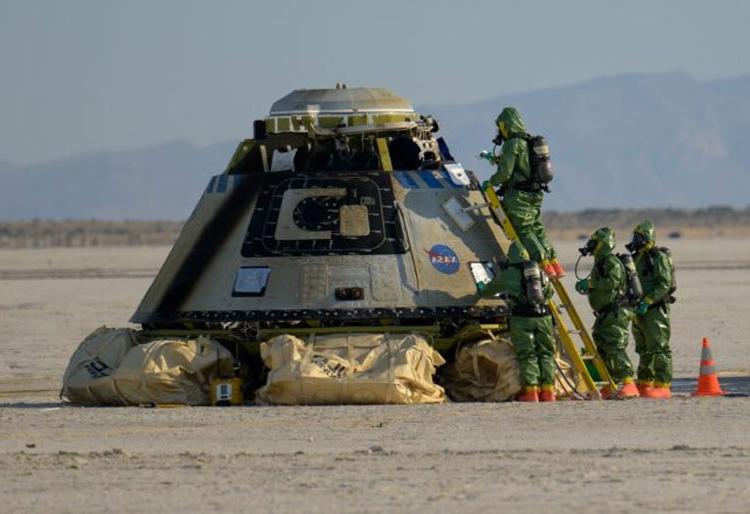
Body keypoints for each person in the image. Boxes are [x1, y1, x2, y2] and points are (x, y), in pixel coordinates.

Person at [480, 107, 564, 278]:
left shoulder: (512, 144)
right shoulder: (528, 142)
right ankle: (554, 263)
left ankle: (544, 266)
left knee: (524, 230)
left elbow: (505, 173)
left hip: (519, 197)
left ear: (506, 125)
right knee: (537, 229)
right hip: (535, 194)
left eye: (501, 127)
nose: (500, 131)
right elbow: (522, 167)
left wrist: (490, 183)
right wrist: (496, 159)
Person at [479, 240, 556, 402]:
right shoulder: (538, 272)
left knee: (528, 354)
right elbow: (549, 293)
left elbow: (487, 292)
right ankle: (549, 391)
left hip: (523, 319)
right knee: (546, 353)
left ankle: (532, 391)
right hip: (544, 317)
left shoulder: (509, 274)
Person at [575, 227, 639, 399]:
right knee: (603, 347)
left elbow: (613, 282)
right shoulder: (601, 263)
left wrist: (591, 285)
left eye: (594, 243)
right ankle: (609, 384)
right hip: (605, 313)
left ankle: (628, 383)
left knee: (614, 346)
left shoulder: (611, 262)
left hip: (616, 312)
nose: (591, 246)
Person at [626, 220, 674, 399]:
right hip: (639, 311)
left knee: (659, 346)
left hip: (654, 310)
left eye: (638, 236)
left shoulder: (657, 257)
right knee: (644, 348)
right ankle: (645, 382)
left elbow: (664, 283)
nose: (635, 240)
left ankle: (663, 384)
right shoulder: (637, 258)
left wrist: (647, 301)